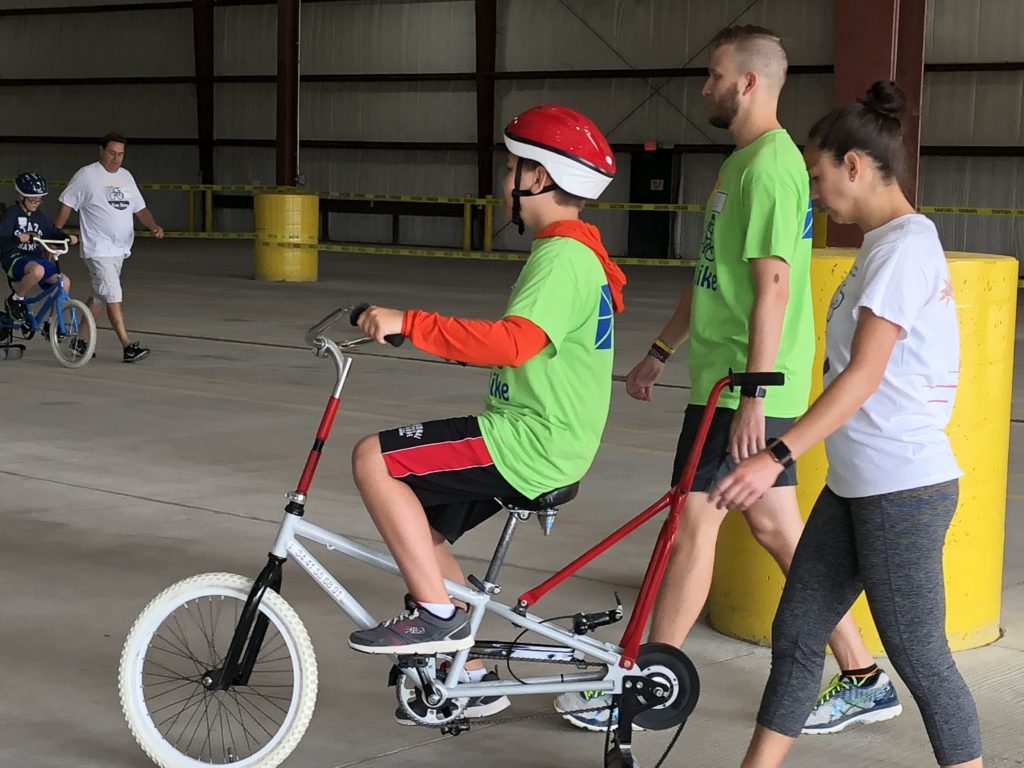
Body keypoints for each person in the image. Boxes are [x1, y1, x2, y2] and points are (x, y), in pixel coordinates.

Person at [556, 25, 899, 733]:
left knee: (693, 521)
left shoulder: (770, 165)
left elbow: (773, 285)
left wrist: (753, 393)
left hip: (743, 392)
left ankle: (645, 680)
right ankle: (863, 676)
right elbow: (717, 276)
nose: (705, 88)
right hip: (728, 383)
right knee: (777, 531)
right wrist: (661, 347)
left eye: (713, 76)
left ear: (749, 83)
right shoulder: (740, 165)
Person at [710, 79, 982, 768]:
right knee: (799, 634)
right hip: (858, 487)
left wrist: (775, 453)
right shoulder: (886, 244)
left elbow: (862, 376)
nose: (813, 192)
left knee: (922, 660)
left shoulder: (901, 250)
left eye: (818, 175)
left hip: (901, 492)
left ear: (855, 166)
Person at [346, 105, 626, 723]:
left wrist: (408, 322)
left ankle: (440, 619)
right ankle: (466, 671)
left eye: (512, 169)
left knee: (373, 458)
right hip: (538, 436)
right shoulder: (575, 254)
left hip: (530, 441)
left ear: (540, 178)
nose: (506, 182)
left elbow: (511, 343)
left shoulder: (562, 259)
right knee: (423, 531)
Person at [54, 132, 164, 363]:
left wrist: (153, 225)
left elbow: (140, 209)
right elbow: (67, 205)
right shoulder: (87, 175)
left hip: (119, 250)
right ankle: (126, 345)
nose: (116, 158)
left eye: (121, 154)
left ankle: (80, 342)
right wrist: (54, 235)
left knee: (100, 296)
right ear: (101, 151)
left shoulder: (126, 177)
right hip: (98, 249)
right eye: (112, 153)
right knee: (113, 294)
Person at [2, 172, 78, 322]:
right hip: (14, 259)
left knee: (64, 281)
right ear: (21, 197)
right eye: (32, 200)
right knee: (37, 271)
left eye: (39, 200)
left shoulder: (40, 217)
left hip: (36, 259)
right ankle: (16, 299)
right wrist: (16, 239)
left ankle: (52, 323)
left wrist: (67, 238)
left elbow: (52, 232)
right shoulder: (12, 214)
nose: (36, 203)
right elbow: (2, 239)